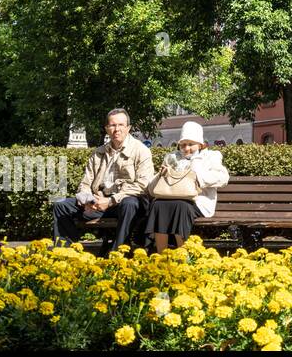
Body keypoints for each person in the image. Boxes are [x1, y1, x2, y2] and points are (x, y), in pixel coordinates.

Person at [52, 108, 155, 253]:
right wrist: (86, 199)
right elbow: (86, 182)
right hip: (98, 203)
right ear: (107, 128)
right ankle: (66, 252)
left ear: (128, 128)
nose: (116, 129)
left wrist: (111, 200)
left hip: (124, 203)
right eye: (112, 125)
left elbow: (143, 185)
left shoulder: (141, 150)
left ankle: (119, 251)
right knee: (61, 205)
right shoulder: (99, 152)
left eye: (121, 125)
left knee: (130, 203)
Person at [145, 121, 229, 251]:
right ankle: (161, 255)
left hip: (198, 201)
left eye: (191, 144)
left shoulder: (211, 156)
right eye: (183, 145)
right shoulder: (172, 157)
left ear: (200, 145)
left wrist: (198, 177)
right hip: (171, 198)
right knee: (157, 205)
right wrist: (161, 175)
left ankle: (183, 254)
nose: (186, 148)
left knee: (181, 206)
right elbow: (151, 188)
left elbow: (223, 178)